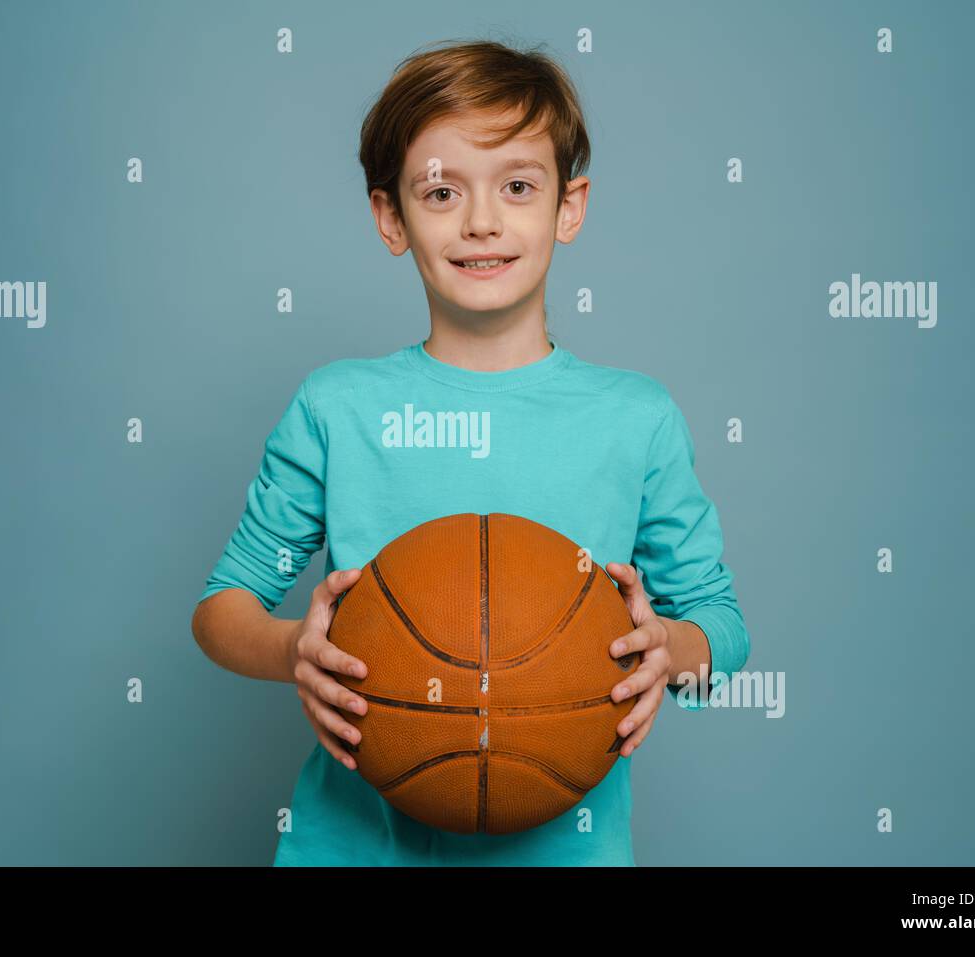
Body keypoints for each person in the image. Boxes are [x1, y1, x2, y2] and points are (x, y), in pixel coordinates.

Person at [191, 38, 750, 866]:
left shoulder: (635, 418)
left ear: (571, 205)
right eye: (443, 190)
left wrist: (671, 650)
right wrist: (292, 652)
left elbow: (723, 638)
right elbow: (221, 607)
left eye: (518, 186)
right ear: (391, 218)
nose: (482, 221)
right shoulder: (337, 407)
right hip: (349, 848)